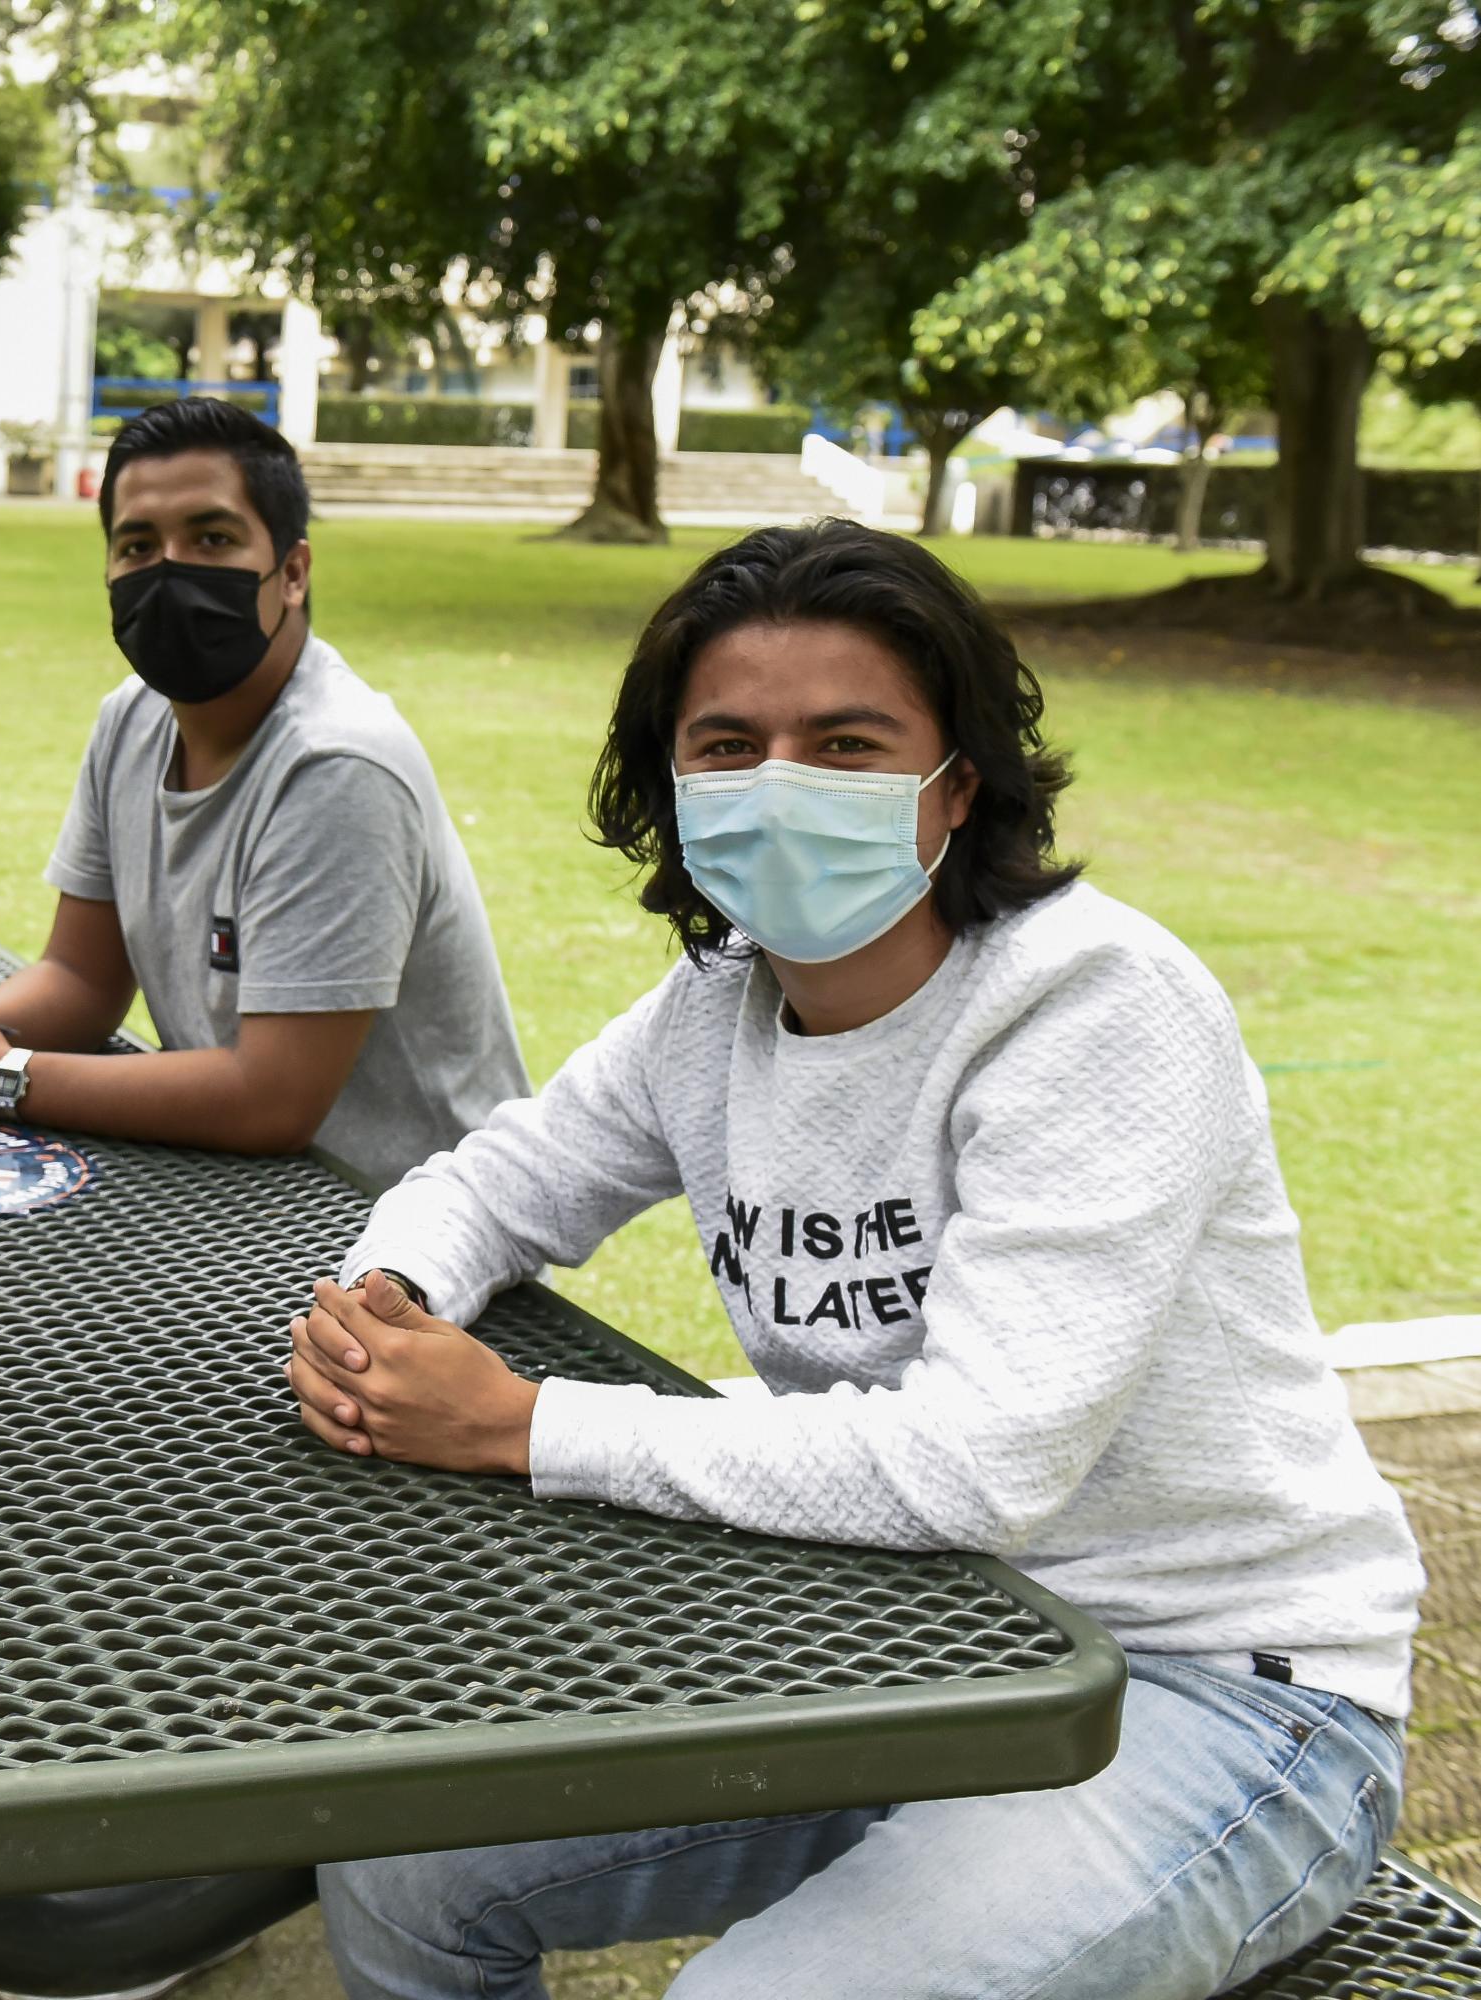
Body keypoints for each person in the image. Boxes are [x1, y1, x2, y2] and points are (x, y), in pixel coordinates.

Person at [292, 520, 1421, 1999]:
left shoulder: (1096, 1007)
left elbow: (978, 1465)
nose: (781, 784)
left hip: (1215, 1688)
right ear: (672, 785)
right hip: (906, 1639)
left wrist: (522, 1424)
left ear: (956, 781)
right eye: (728, 745)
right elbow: (496, 1181)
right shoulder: (717, 1005)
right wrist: (390, 1303)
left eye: (844, 743)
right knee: (400, 1863)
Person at [0, 396, 529, 1190]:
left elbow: (272, 1098)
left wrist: (2, 1076)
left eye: (212, 538)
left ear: (292, 573)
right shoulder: (131, 722)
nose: (169, 569)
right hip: (250, 1195)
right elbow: (83, 979)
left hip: (409, 1220)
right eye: (137, 545)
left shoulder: (337, 766)